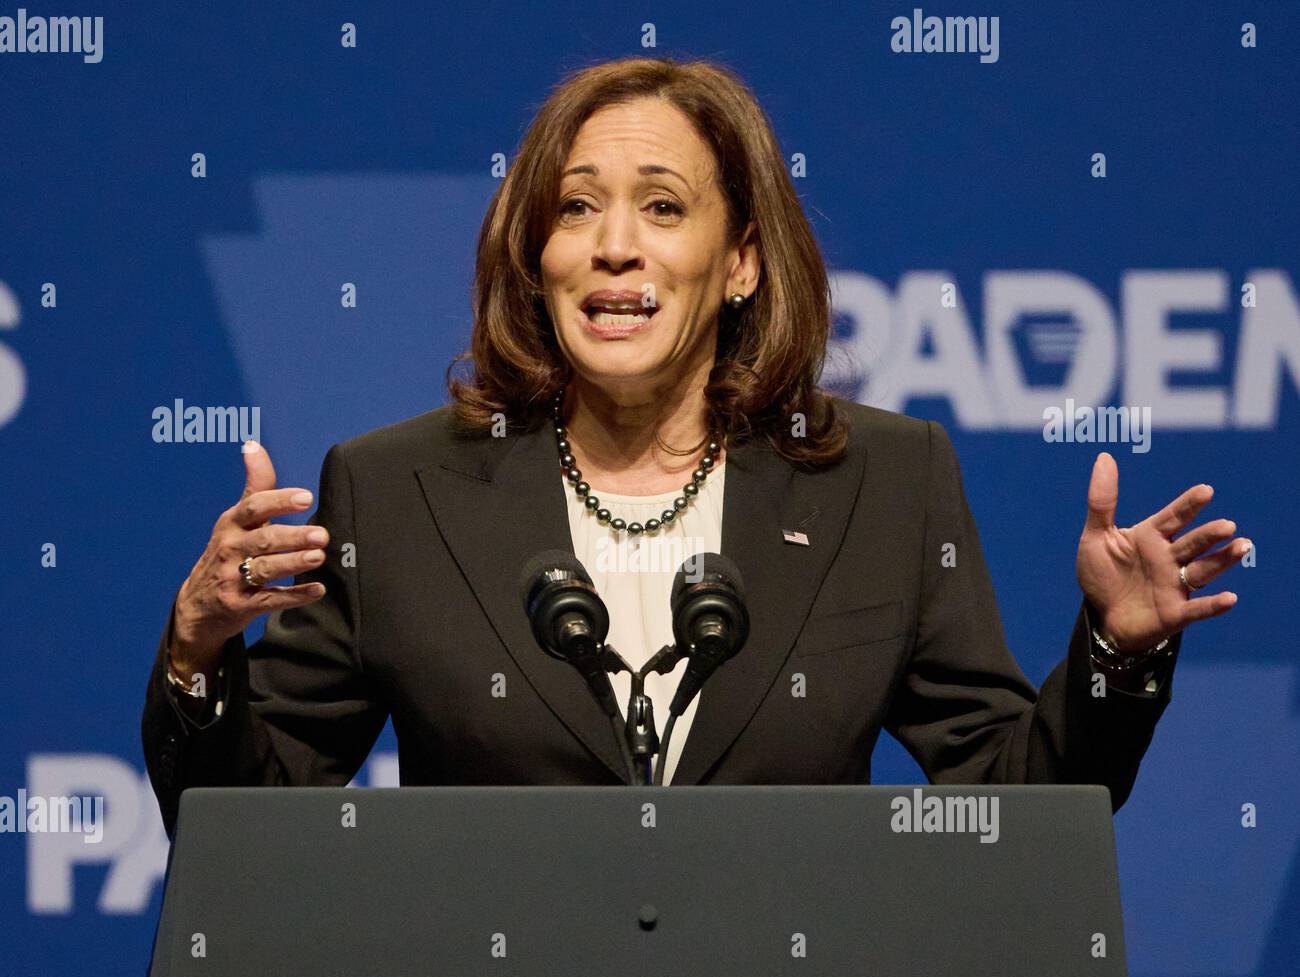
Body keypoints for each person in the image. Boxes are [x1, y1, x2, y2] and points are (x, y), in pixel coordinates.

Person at [142, 56, 1247, 840]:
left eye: (662, 209)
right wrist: (198, 655)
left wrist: (1116, 650)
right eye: (575, 210)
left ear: (741, 263)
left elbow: (1011, 807)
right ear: (536, 256)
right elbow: (251, 829)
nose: (613, 247)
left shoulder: (883, 482)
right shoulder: (393, 492)